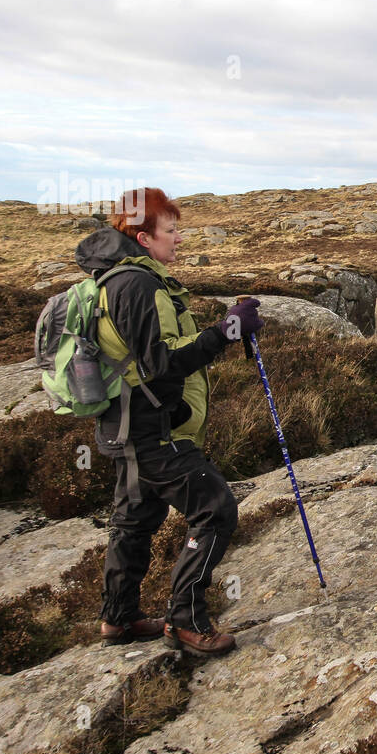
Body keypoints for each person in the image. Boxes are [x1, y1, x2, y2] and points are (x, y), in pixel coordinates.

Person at [73, 187, 263, 656]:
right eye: (171, 230)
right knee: (215, 509)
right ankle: (185, 620)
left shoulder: (116, 280)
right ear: (143, 237)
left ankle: (118, 618)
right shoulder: (136, 285)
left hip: (128, 424)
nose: (178, 239)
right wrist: (226, 331)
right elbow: (161, 362)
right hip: (153, 428)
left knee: (136, 518)